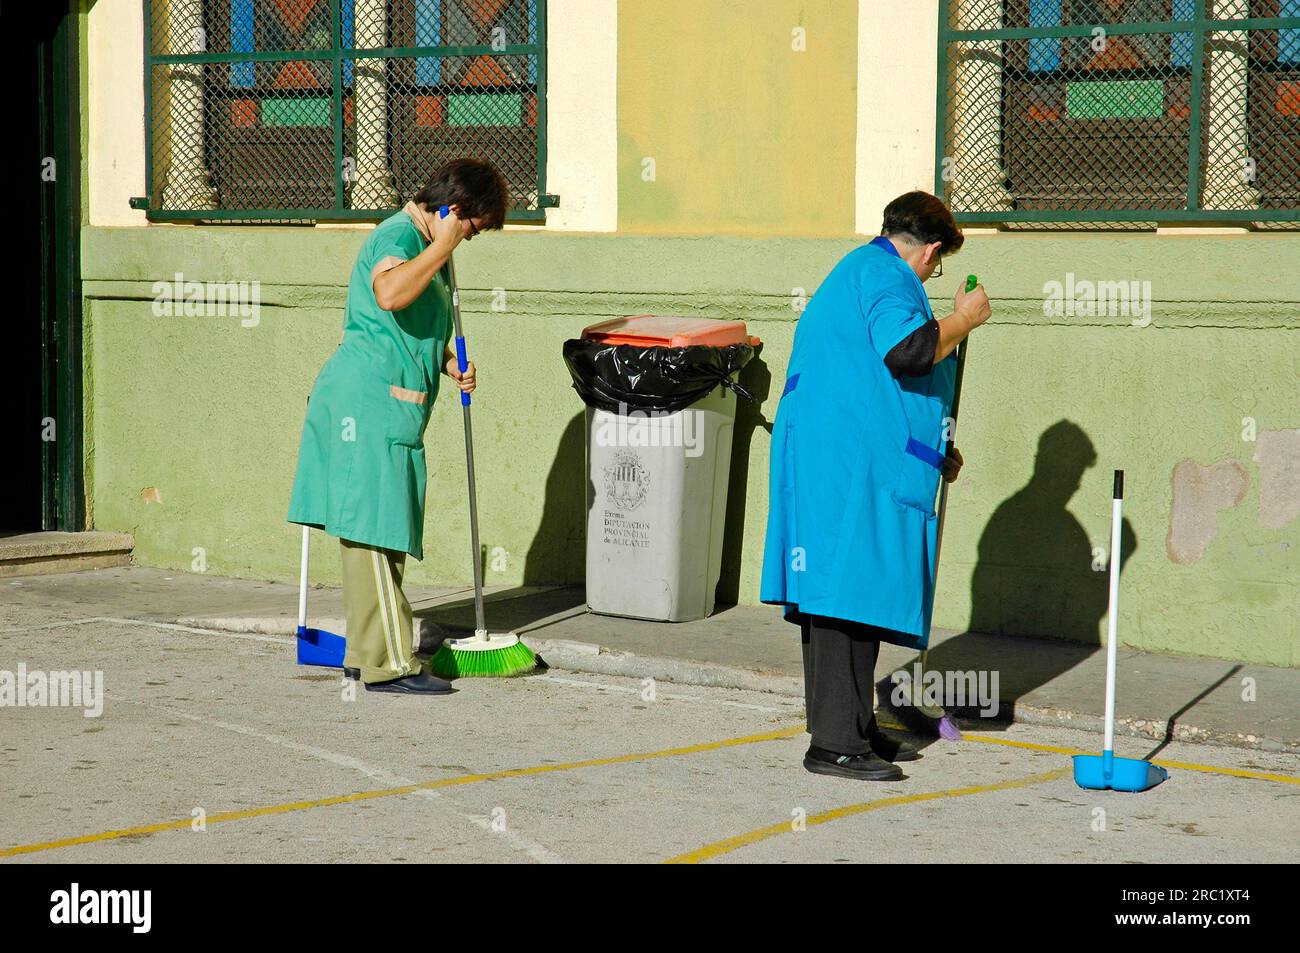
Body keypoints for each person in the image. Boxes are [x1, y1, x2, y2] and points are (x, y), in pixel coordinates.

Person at [760, 190, 992, 779]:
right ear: (930, 251)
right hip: (846, 462)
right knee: (844, 596)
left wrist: (935, 447)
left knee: (846, 595)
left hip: (839, 453)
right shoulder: (886, 275)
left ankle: (851, 728)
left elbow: (881, 383)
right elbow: (909, 353)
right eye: (937, 266)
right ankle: (836, 743)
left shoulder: (858, 271)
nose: (934, 275)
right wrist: (962, 319)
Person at [288, 158, 508, 695]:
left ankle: (368, 654)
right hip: (365, 408)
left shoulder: (423, 245)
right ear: (454, 210)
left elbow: (405, 327)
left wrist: (448, 363)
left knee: (378, 535)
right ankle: (390, 665)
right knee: (372, 536)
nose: (468, 240)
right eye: (472, 228)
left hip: (385, 406)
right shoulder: (401, 235)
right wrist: (443, 247)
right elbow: (388, 293)